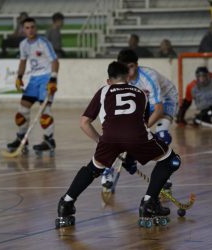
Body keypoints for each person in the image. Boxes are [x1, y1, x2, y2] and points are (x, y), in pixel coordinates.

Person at [55, 61, 181, 228]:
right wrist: (131, 157)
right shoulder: (141, 93)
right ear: (128, 78)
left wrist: (101, 141)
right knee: (171, 160)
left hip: (109, 139)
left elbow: (84, 123)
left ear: (109, 81)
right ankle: (149, 202)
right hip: (137, 137)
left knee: (93, 169)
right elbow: (138, 128)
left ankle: (66, 203)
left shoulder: (103, 91)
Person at [101, 49, 178, 192]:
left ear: (137, 65)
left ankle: (163, 175)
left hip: (166, 100)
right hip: (144, 103)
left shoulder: (149, 77)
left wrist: (140, 129)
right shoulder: (120, 79)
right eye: (125, 67)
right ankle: (108, 170)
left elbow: (158, 109)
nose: (128, 71)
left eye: (130, 66)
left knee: (162, 135)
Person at [7, 17, 59, 156]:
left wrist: (53, 78)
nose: (30, 30)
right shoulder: (23, 44)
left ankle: (49, 140)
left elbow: (54, 60)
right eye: (27, 28)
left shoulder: (43, 42)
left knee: (45, 114)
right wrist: (19, 77)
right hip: (33, 80)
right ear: (23, 30)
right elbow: (23, 62)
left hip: (47, 79)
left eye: (32, 27)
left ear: (36, 28)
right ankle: (21, 138)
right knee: (21, 113)